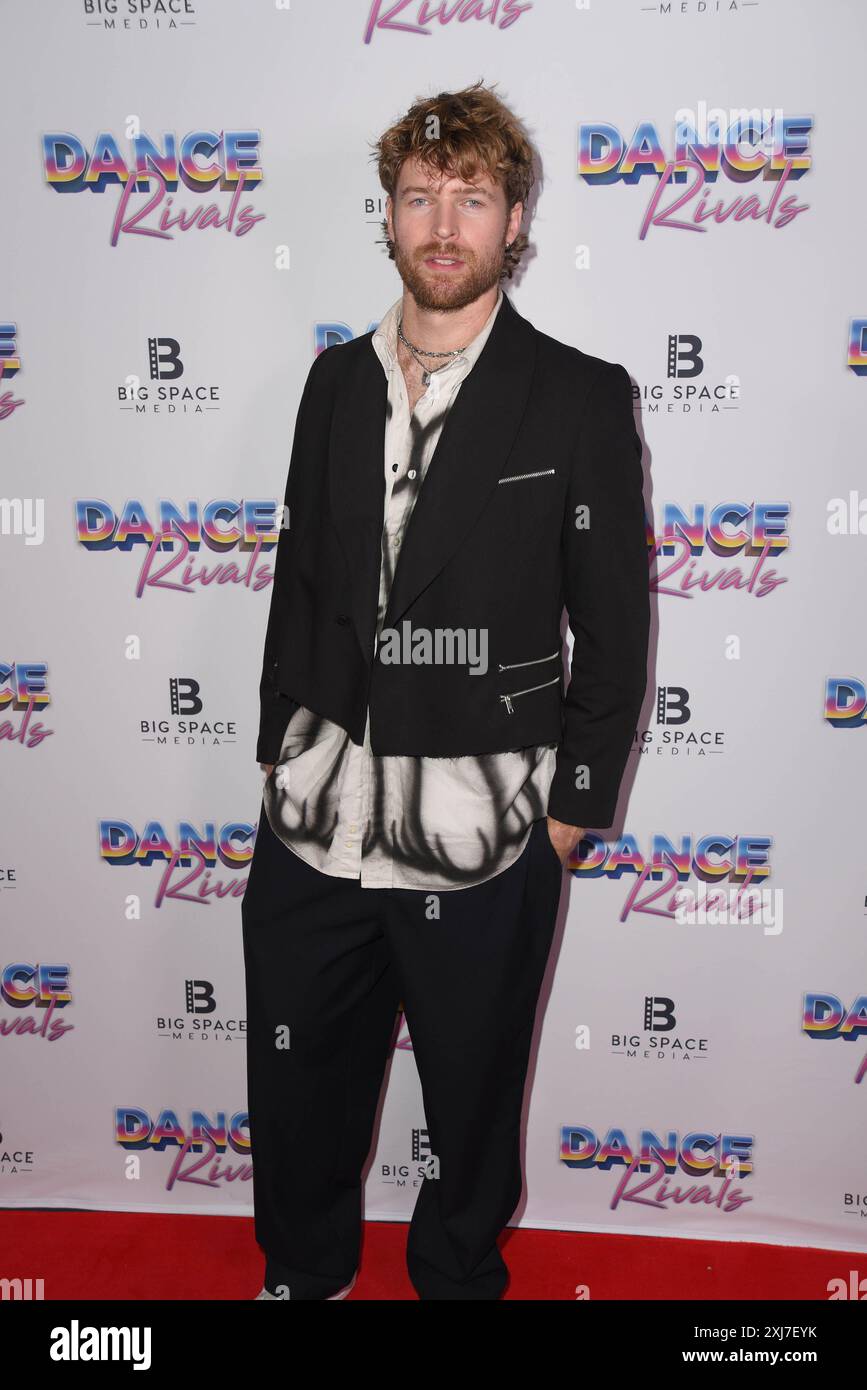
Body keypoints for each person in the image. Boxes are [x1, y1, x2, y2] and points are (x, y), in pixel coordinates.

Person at [242, 80, 649, 1300]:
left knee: (471, 1102)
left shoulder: (576, 395)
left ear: (515, 221)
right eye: (420, 196)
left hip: (481, 831)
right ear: (390, 215)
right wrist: (277, 749)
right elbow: (299, 579)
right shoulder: (329, 385)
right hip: (317, 822)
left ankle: (456, 1275)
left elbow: (616, 624)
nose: (443, 223)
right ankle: (302, 1271)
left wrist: (572, 806)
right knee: (298, 1083)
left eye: (471, 199)